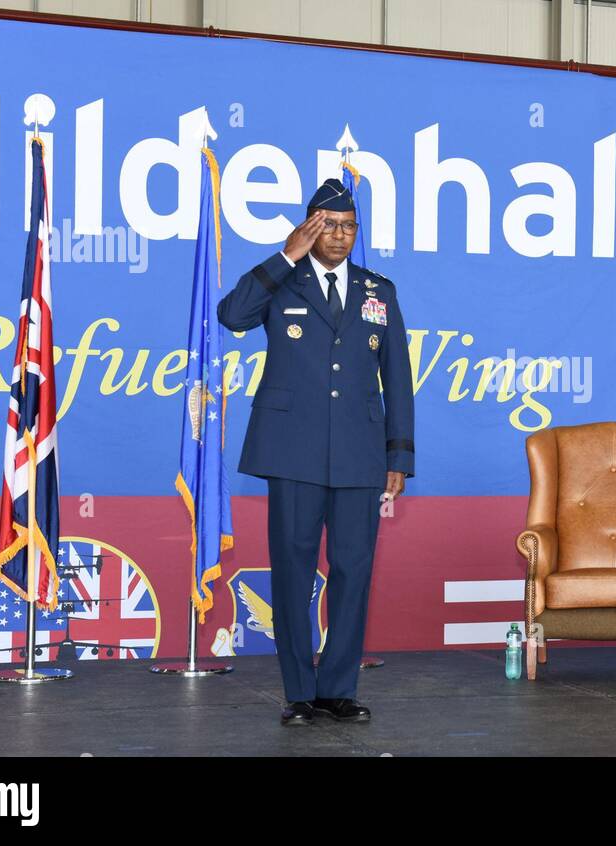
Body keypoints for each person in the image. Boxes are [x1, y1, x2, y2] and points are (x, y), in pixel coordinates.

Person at [218, 178, 415, 725]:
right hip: (293, 451)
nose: (341, 235)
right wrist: (286, 255)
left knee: (353, 570)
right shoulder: (284, 280)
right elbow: (232, 316)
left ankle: (337, 689)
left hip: (359, 452)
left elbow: (397, 377)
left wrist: (398, 456)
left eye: (349, 226)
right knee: (293, 571)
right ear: (309, 227)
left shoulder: (379, 291)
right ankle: (298, 692)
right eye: (329, 225)